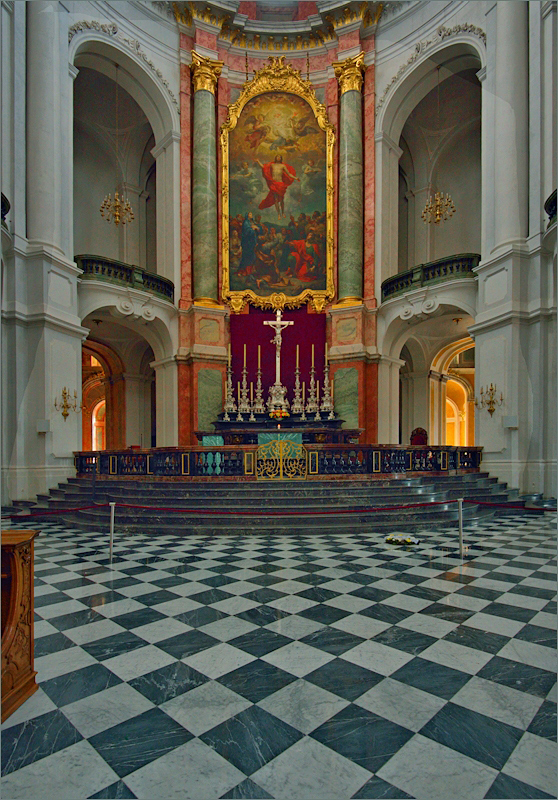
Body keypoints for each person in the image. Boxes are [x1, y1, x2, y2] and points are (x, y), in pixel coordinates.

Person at [256, 155, 300, 220]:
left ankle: (283, 213)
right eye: (277, 156)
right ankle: (279, 214)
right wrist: (258, 161)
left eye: (280, 157)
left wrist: (295, 178)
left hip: (280, 184)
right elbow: (263, 167)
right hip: (274, 184)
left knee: (281, 200)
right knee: (276, 199)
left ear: (281, 158)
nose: (278, 158)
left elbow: (289, 174)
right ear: (275, 158)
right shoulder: (272, 165)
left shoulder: (283, 166)